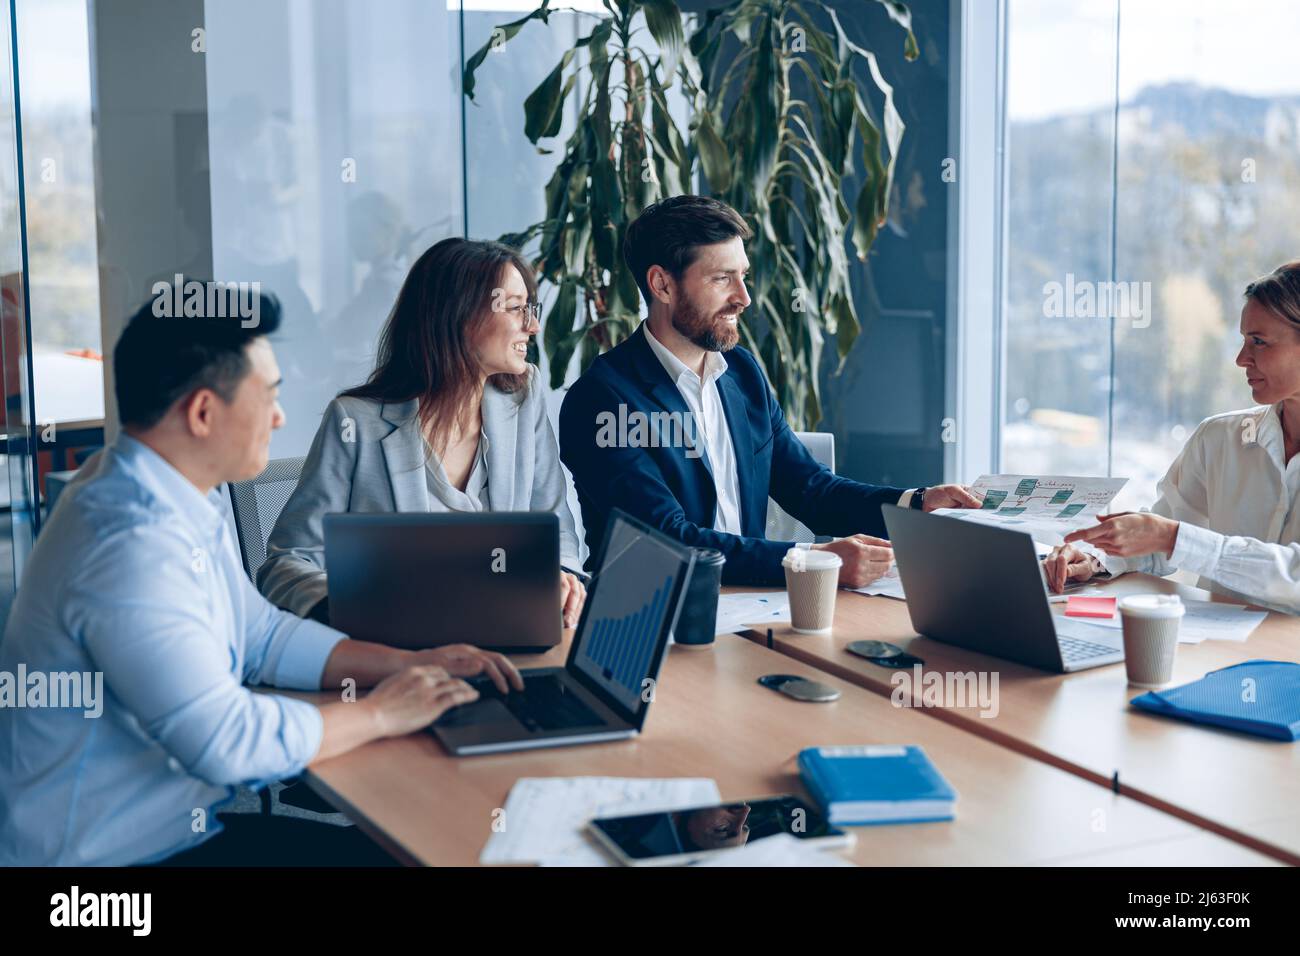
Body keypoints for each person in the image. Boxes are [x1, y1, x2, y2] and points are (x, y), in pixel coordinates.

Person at [0, 285, 522, 866]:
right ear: (203, 412)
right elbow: (226, 741)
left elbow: (261, 636)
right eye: (268, 396)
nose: (278, 416)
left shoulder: (171, 487)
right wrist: (380, 712)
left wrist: (409, 662)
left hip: (177, 833)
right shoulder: (128, 542)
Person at [559, 195, 979, 587]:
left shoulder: (740, 373)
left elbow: (812, 489)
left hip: (751, 610)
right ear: (662, 285)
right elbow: (669, 541)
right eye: (722, 279)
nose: (743, 298)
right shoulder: (602, 401)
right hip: (653, 620)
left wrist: (917, 503)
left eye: (743, 277)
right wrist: (814, 561)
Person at [258, 238, 586, 627]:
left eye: (529, 308)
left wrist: (562, 577)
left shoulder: (522, 399)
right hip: (404, 650)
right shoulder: (356, 422)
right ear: (458, 316)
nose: (532, 326)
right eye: (515, 309)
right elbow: (287, 562)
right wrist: (365, 609)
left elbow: (555, 527)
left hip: (509, 636)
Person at [1046, 261, 1300, 614]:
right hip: (1216, 656)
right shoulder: (1219, 438)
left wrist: (1173, 536)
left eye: (1259, 342)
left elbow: (1294, 575)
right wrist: (1098, 557)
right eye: (1243, 340)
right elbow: (1161, 539)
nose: (1242, 359)